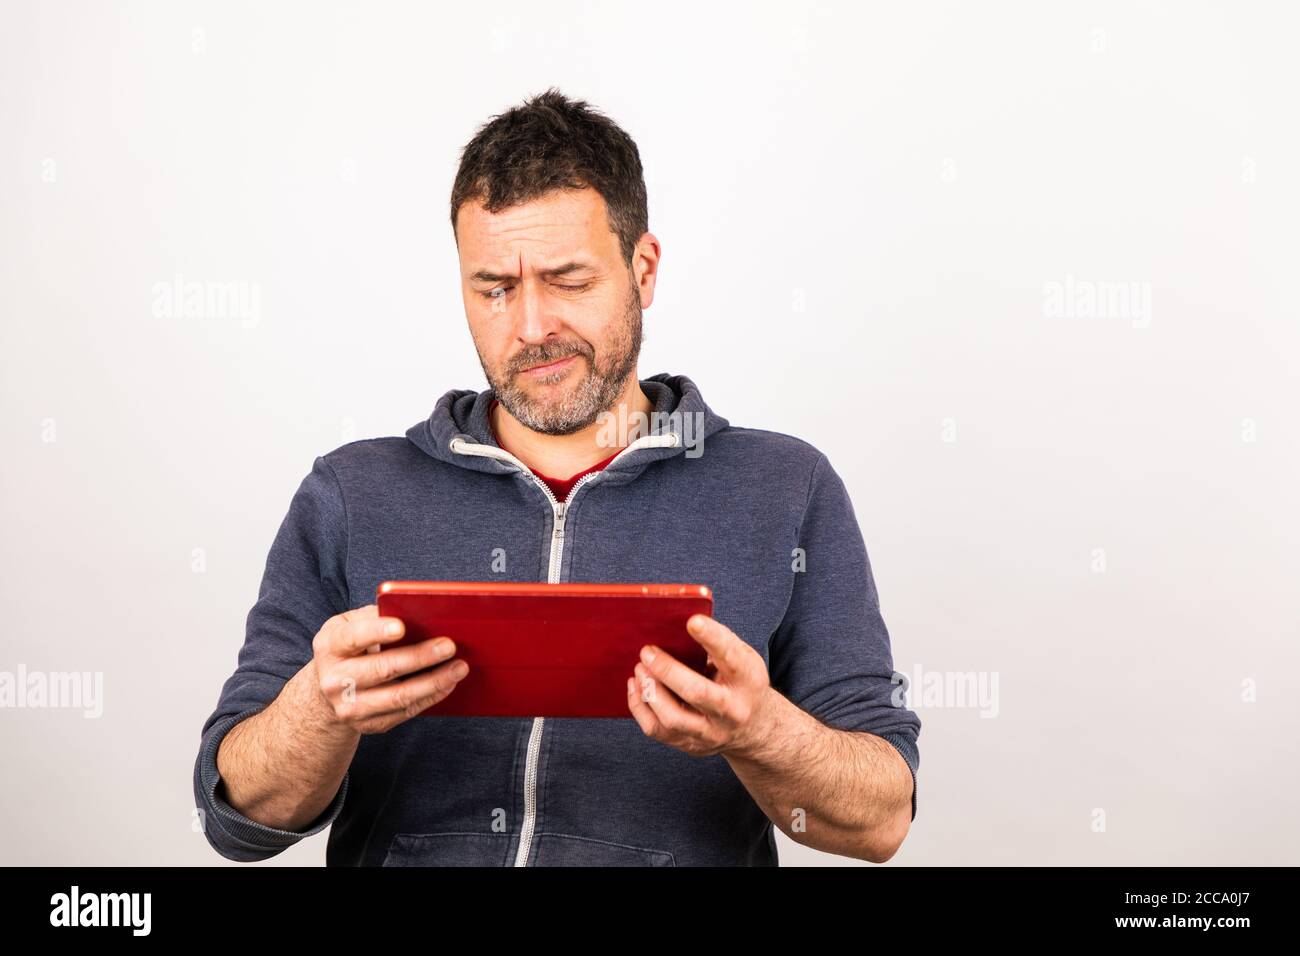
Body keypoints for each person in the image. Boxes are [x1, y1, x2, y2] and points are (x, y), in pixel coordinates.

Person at [193, 87, 920, 866]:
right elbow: (238, 818)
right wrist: (318, 709)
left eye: (568, 281)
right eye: (494, 289)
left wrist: (757, 729)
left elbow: (879, 820)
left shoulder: (785, 489)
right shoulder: (352, 492)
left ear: (643, 270)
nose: (532, 327)